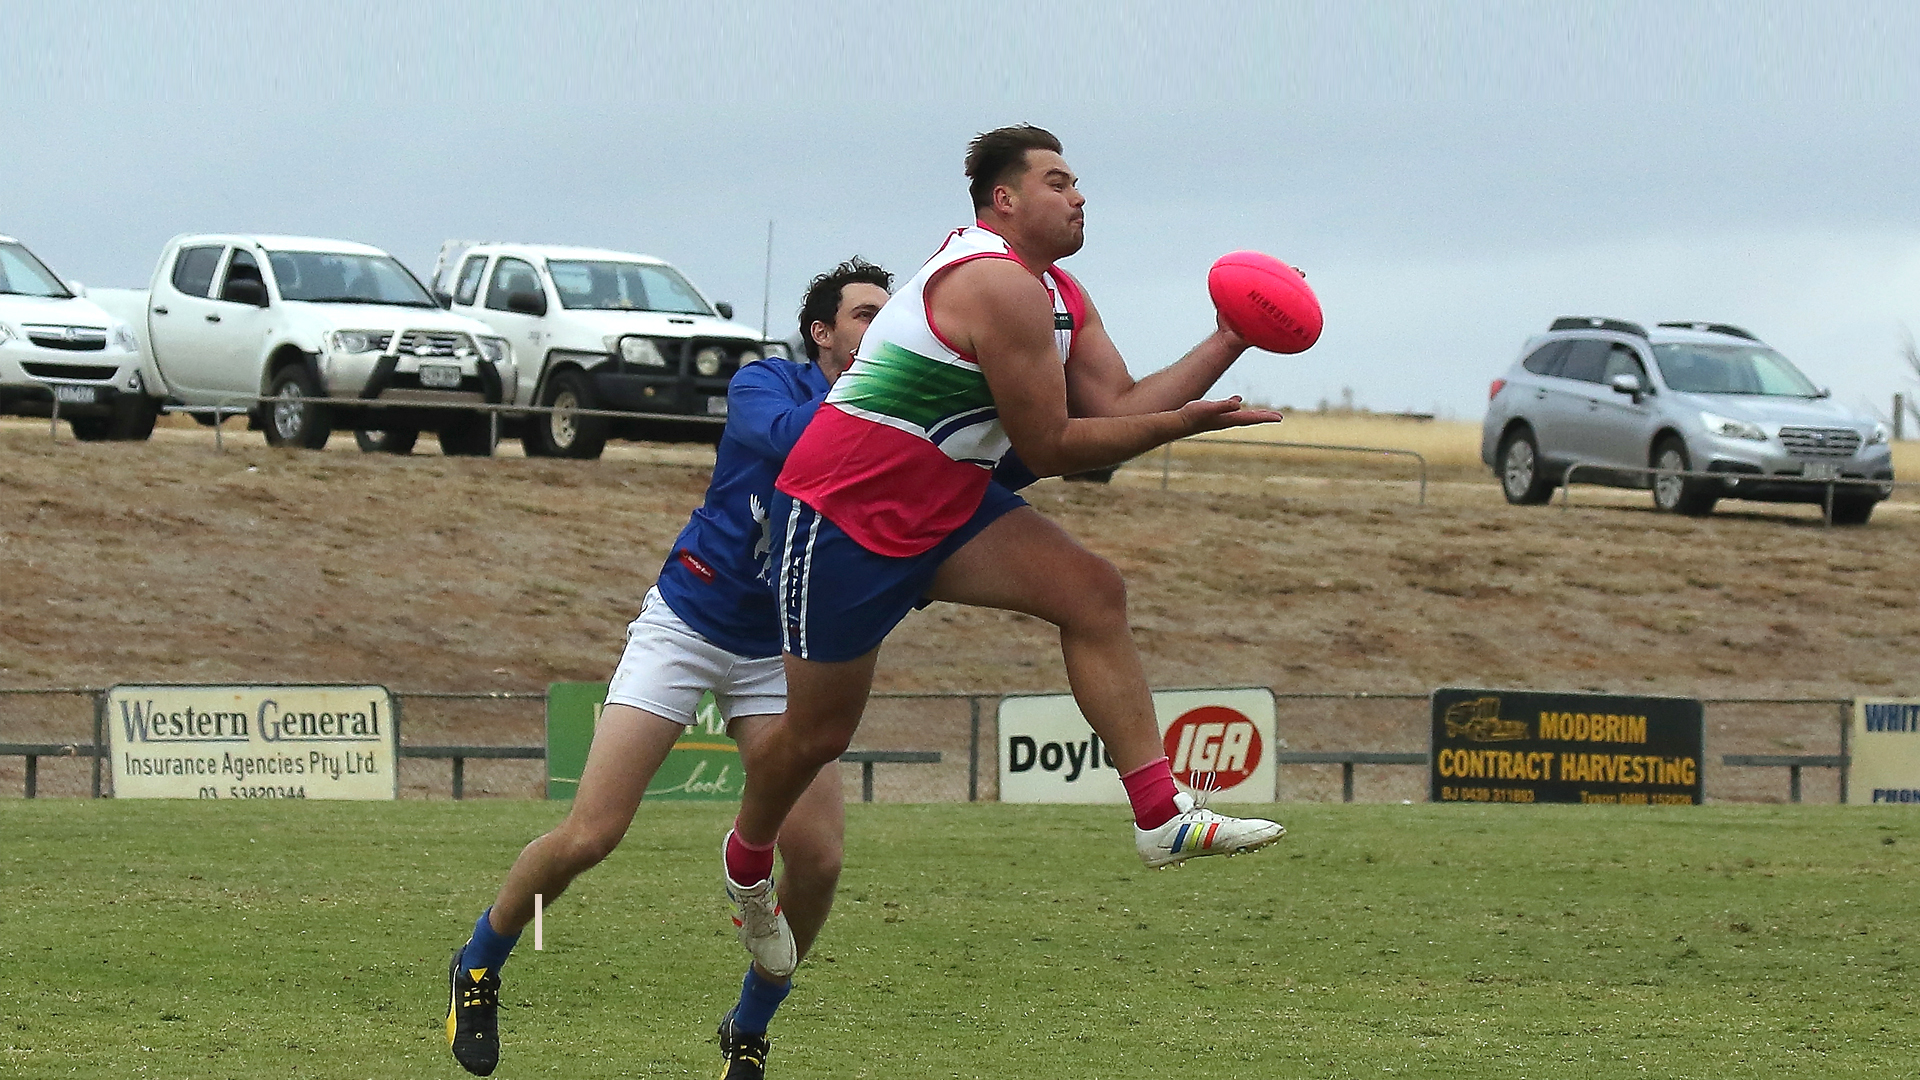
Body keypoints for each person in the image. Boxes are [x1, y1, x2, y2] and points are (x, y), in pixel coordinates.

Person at [720, 125, 1289, 974]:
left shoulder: (1059, 292)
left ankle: (1160, 816)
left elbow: (1119, 401)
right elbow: (1058, 447)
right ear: (1004, 199)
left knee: (1092, 591)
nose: (1079, 195)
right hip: (842, 517)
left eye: (1079, 182)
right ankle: (746, 862)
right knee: (814, 737)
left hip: (945, 507)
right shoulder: (993, 282)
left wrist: (1232, 335)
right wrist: (1186, 424)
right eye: (1058, 182)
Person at [445, 259, 895, 1079]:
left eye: (892, 317)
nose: (884, 328)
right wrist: (899, 404)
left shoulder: (892, 419)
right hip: (687, 623)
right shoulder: (768, 385)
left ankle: (750, 1025)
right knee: (592, 835)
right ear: (822, 333)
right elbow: (801, 443)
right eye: (866, 315)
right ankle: (479, 964)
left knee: (821, 859)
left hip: (782, 650)